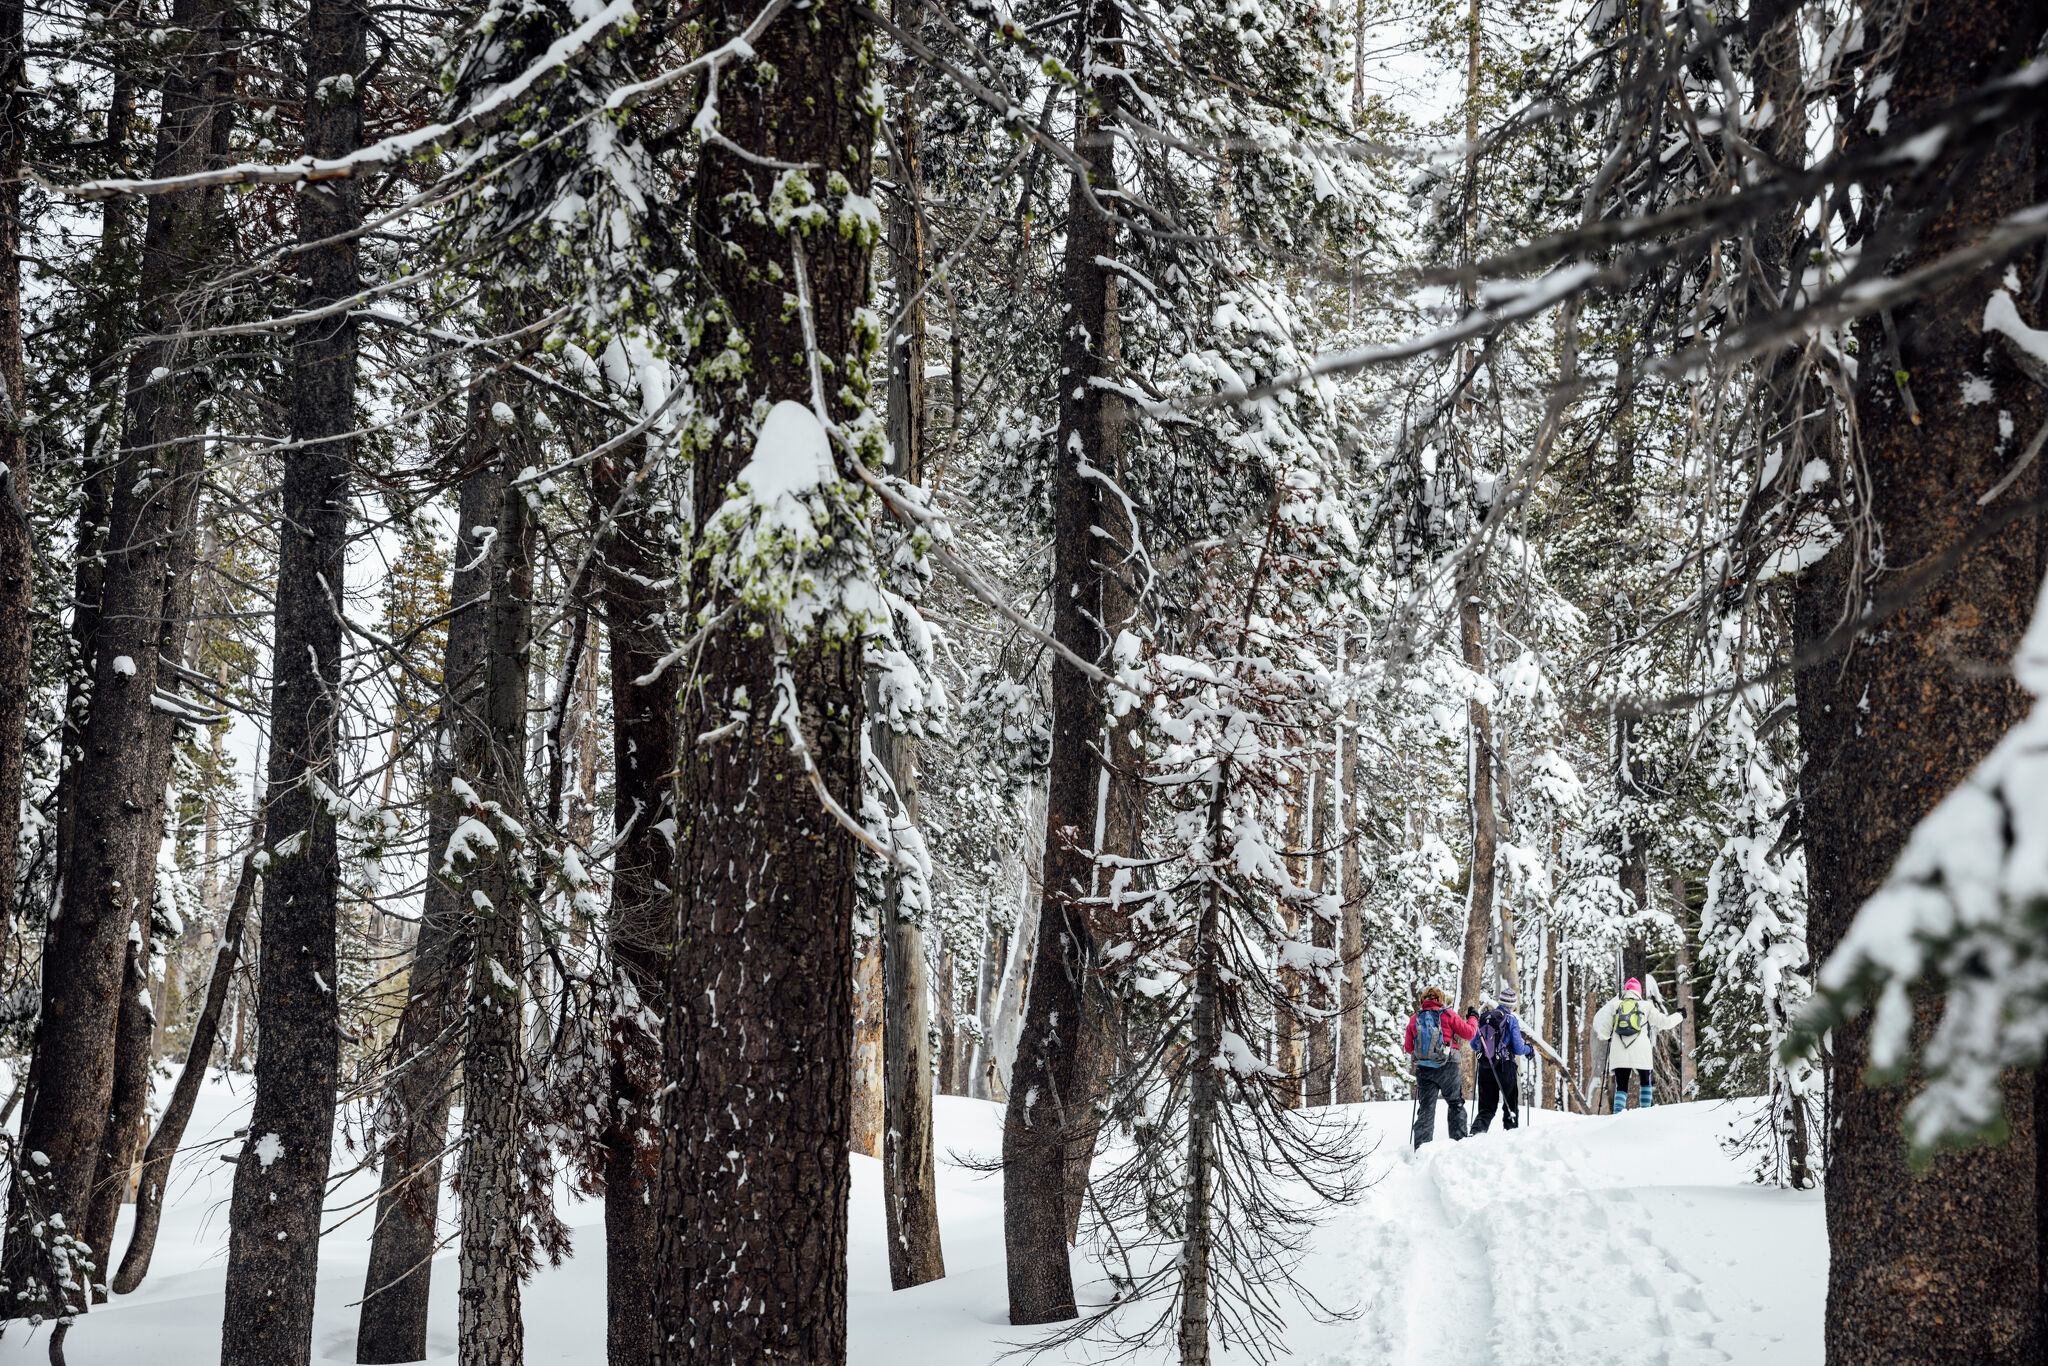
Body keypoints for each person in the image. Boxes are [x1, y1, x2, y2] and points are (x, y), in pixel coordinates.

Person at [1592, 976, 1683, 1112]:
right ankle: (1645, 1112)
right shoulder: (1646, 1006)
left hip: (1619, 1052)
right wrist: (1680, 1015)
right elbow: (1665, 1023)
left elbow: (1604, 1032)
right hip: (1642, 1052)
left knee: (1621, 1086)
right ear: (1639, 992)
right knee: (1645, 1083)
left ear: (1626, 991)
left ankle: (1617, 1115)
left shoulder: (1615, 1005)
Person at [1403, 986, 1478, 1148]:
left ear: (1424, 1000)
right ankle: (1459, 1145)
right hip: (1448, 1067)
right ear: (1441, 1000)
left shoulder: (1415, 1018)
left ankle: (1421, 1149)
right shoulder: (1448, 1014)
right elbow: (1470, 1033)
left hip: (1424, 1070)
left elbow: (1409, 1048)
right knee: (1455, 1104)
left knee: (1426, 1109)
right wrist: (1473, 1017)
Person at [1471, 986, 1535, 1133]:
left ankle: (1475, 1134)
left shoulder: (1485, 1018)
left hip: (1486, 1067)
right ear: (1512, 1005)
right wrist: (1529, 1049)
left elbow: (1474, 1044)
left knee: (1486, 1108)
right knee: (1510, 1105)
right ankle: (1511, 1137)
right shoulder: (1511, 1020)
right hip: (1505, 1067)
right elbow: (1519, 1048)